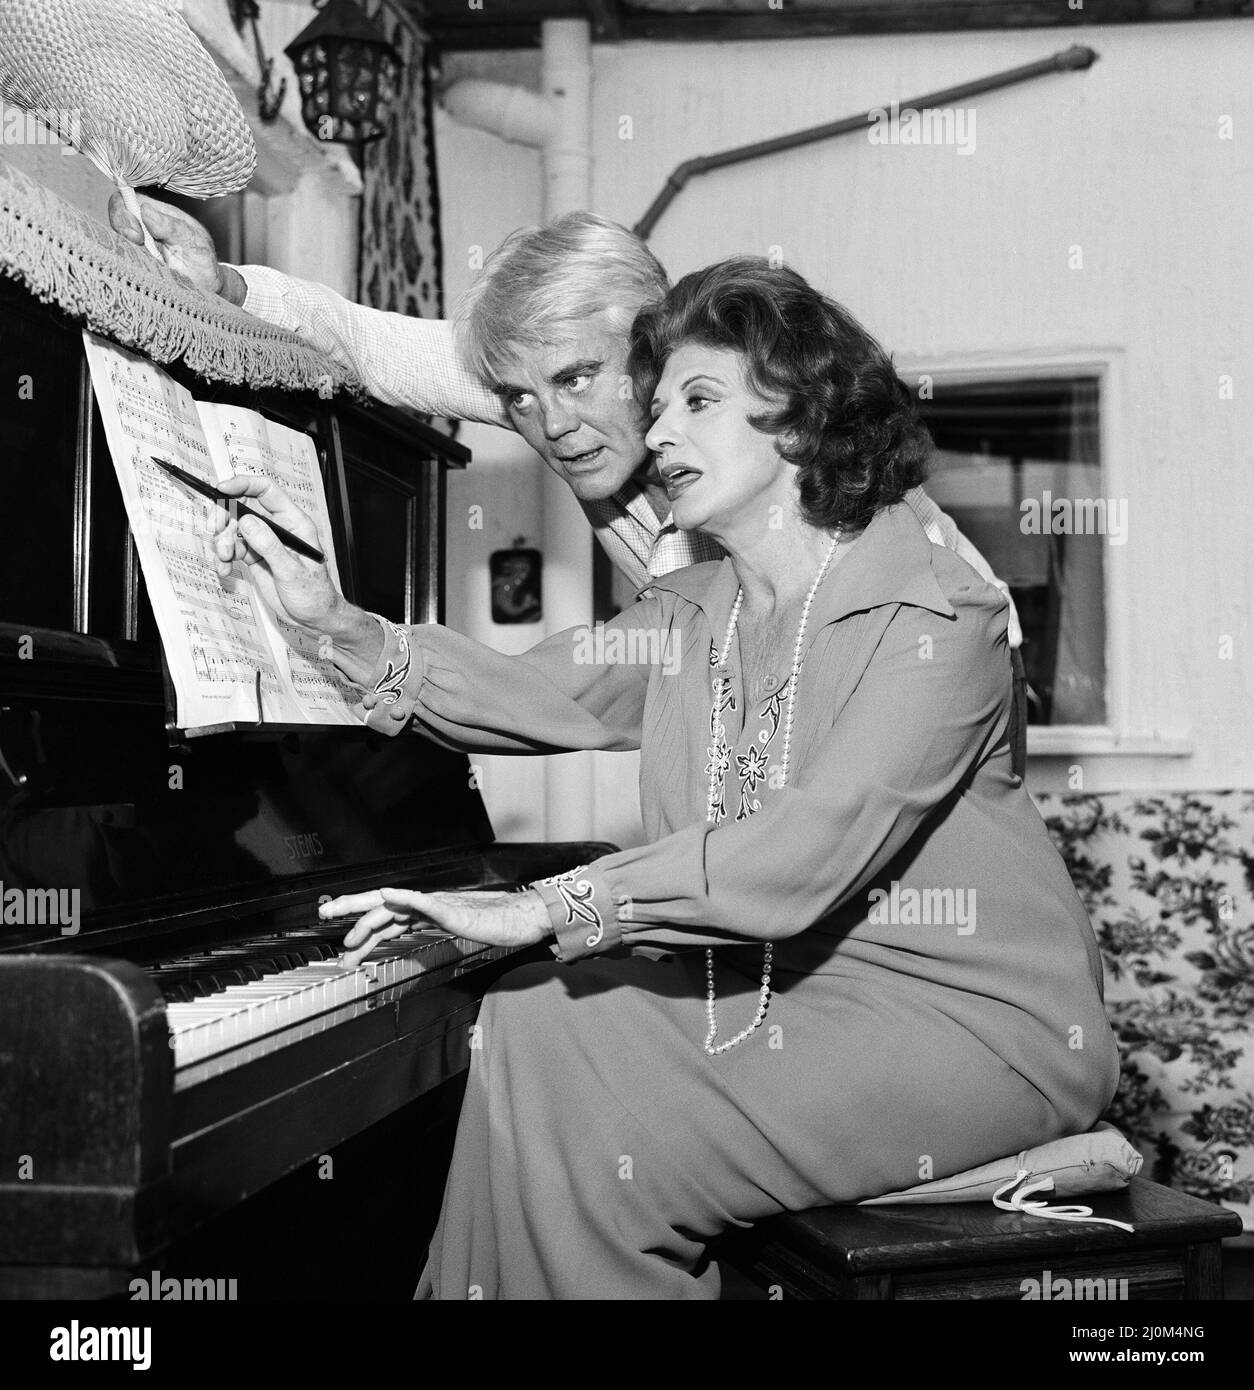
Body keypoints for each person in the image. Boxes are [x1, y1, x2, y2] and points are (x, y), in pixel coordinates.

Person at [210, 257, 1118, 1300]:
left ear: (799, 414)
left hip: (975, 1020)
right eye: (660, 405)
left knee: (596, 1093)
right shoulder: (697, 608)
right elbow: (533, 691)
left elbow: (805, 853)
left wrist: (545, 905)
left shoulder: (936, 610)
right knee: (532, 1020)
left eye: (697, 401)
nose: (656, 434)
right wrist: (339, 628)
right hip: (803, 990)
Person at [108, 197, 1028, 770]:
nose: (548, 426)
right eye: (516, 396)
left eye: (576, 381)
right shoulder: (561, 387)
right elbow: (372, 342)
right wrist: (225, 283)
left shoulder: (781, 459)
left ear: (653, 348)